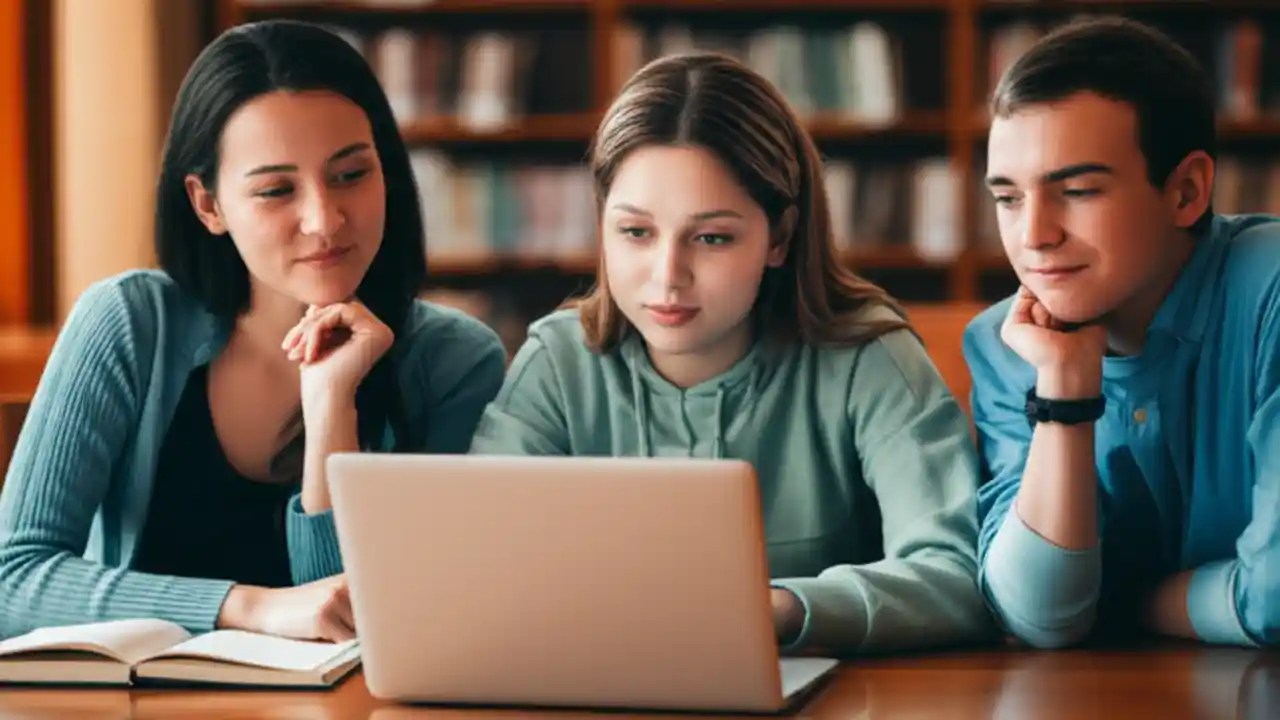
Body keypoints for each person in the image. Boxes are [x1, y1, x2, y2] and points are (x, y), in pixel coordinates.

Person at [0, 20, 506, 642]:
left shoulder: (456, 362)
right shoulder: (130, 324)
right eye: (275, 190)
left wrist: (330, 410)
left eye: (351, 174)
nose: (324, 221)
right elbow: (13, 582)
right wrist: (251, 606)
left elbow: (366, 628)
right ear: (208, 204)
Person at [470, 52, 991, 655]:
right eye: (635, 232)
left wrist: (783, 610)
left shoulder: (867, 358)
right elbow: (480, 564)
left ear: (780, 237)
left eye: (712, 237)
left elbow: (956, 575)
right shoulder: (557, 362)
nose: (668, 277)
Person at [965, 17, 1280, 649]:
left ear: (1186, 191)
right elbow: (1041, 617)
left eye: (1077, 190)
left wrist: (1128, 600)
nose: (1033, 237)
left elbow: (1273, 598)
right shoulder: (1007, 344)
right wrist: (1063, 392)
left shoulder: (1269, 290)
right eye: (1008, 199)